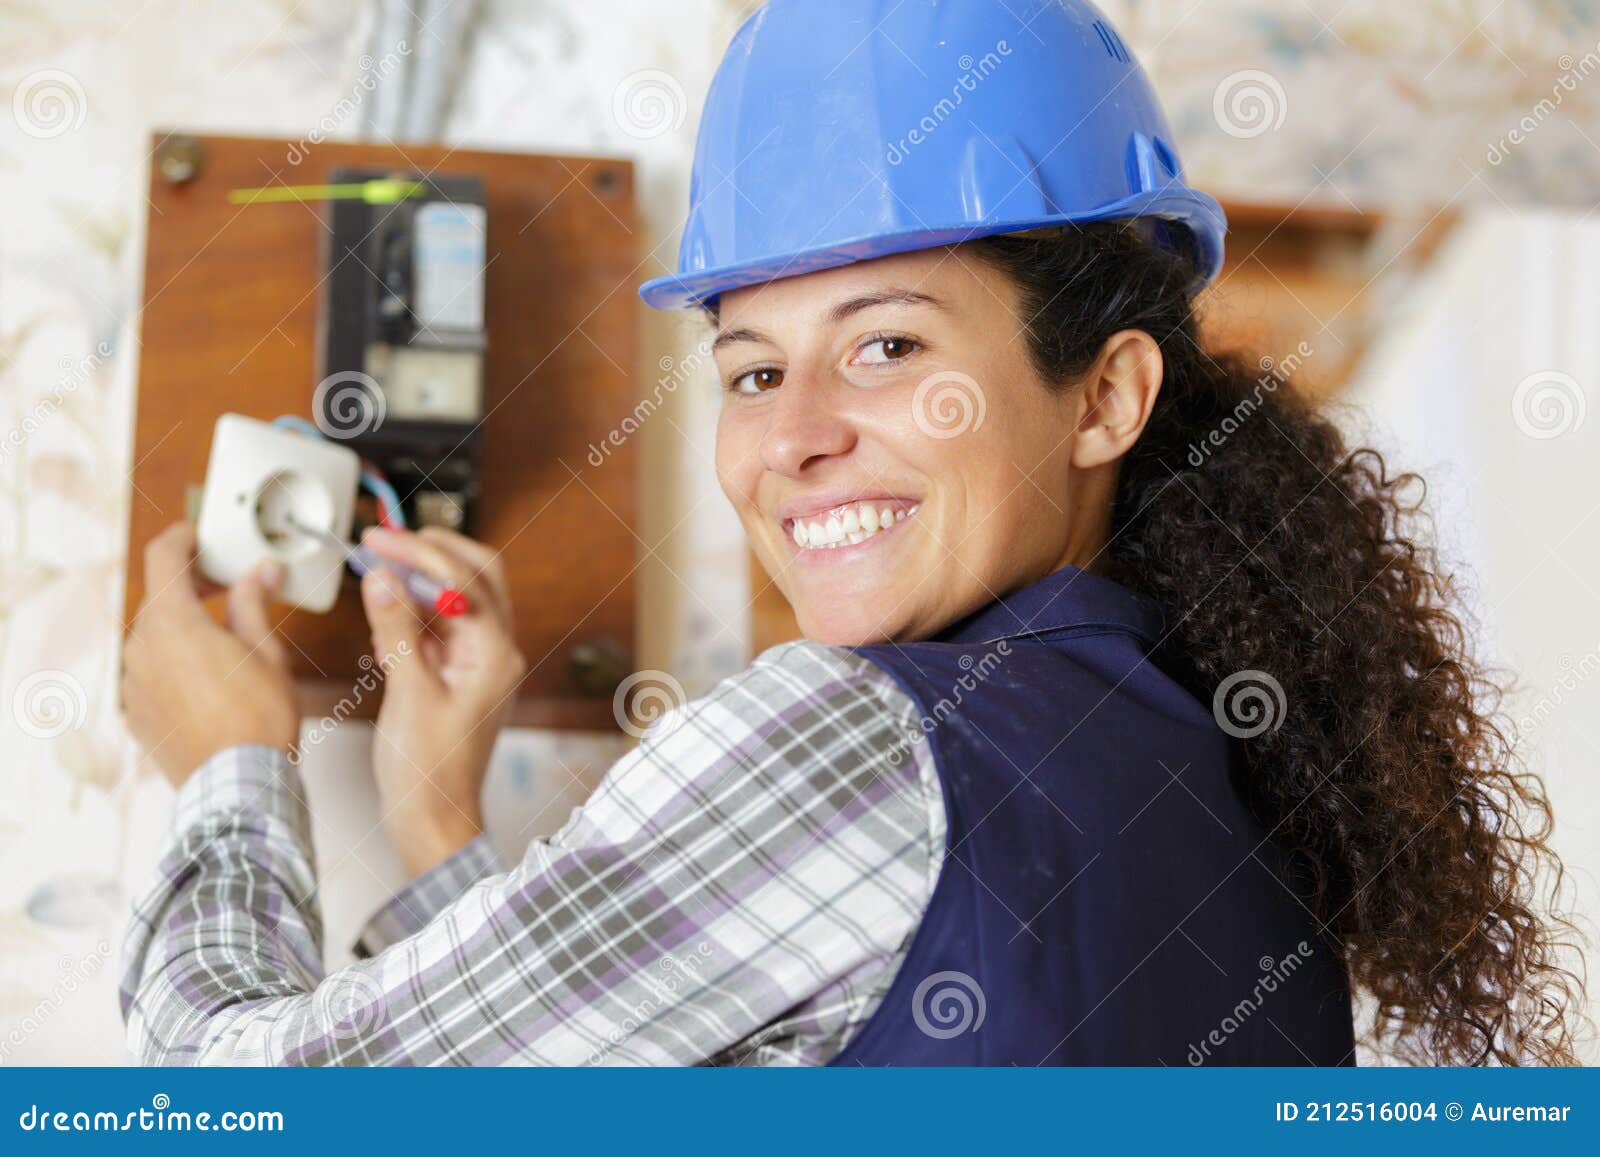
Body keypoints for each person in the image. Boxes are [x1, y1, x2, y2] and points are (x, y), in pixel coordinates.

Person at [119, 0, 1578, 1065]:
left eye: (884, 348)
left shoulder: (848, 741)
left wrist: (227, 761)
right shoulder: (1258, 827)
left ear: (1105, 394)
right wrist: (440, 823)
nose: (792, 434)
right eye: (753, 367)